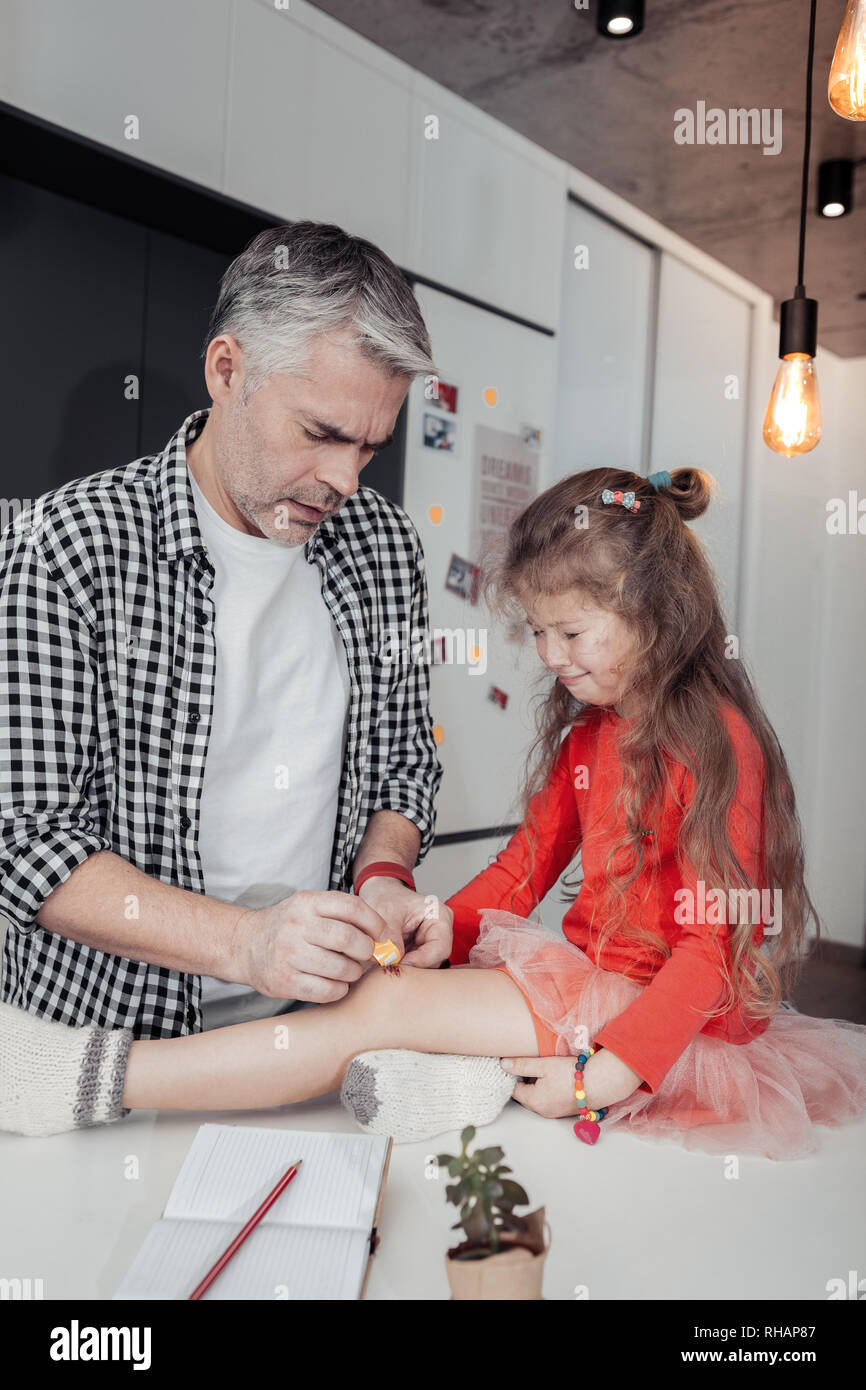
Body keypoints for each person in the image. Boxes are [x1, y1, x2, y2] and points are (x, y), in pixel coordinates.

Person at [3, 467, 865, 1159]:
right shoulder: (593, 734)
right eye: (537, 633)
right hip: (601, 982)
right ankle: (476, 1082)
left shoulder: (719, 745)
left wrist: (610, 1071)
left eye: (571, 634)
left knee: (380, 1014)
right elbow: (525, 868)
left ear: (656, 614)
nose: (550, 658)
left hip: (665, 1010)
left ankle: (94, 1076)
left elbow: (712, 950)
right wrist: (441, 924)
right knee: (398, 982)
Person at [0, 221, 449, 1042]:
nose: (345, 481)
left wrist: (385, 875)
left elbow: (402, 765)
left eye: (371, 449)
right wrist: (246, 943)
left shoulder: (386, 548)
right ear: (227, 370)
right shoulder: (69, 546)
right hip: (97, 1042)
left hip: (314, 1032)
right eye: (322, 434)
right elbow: (28, 842)